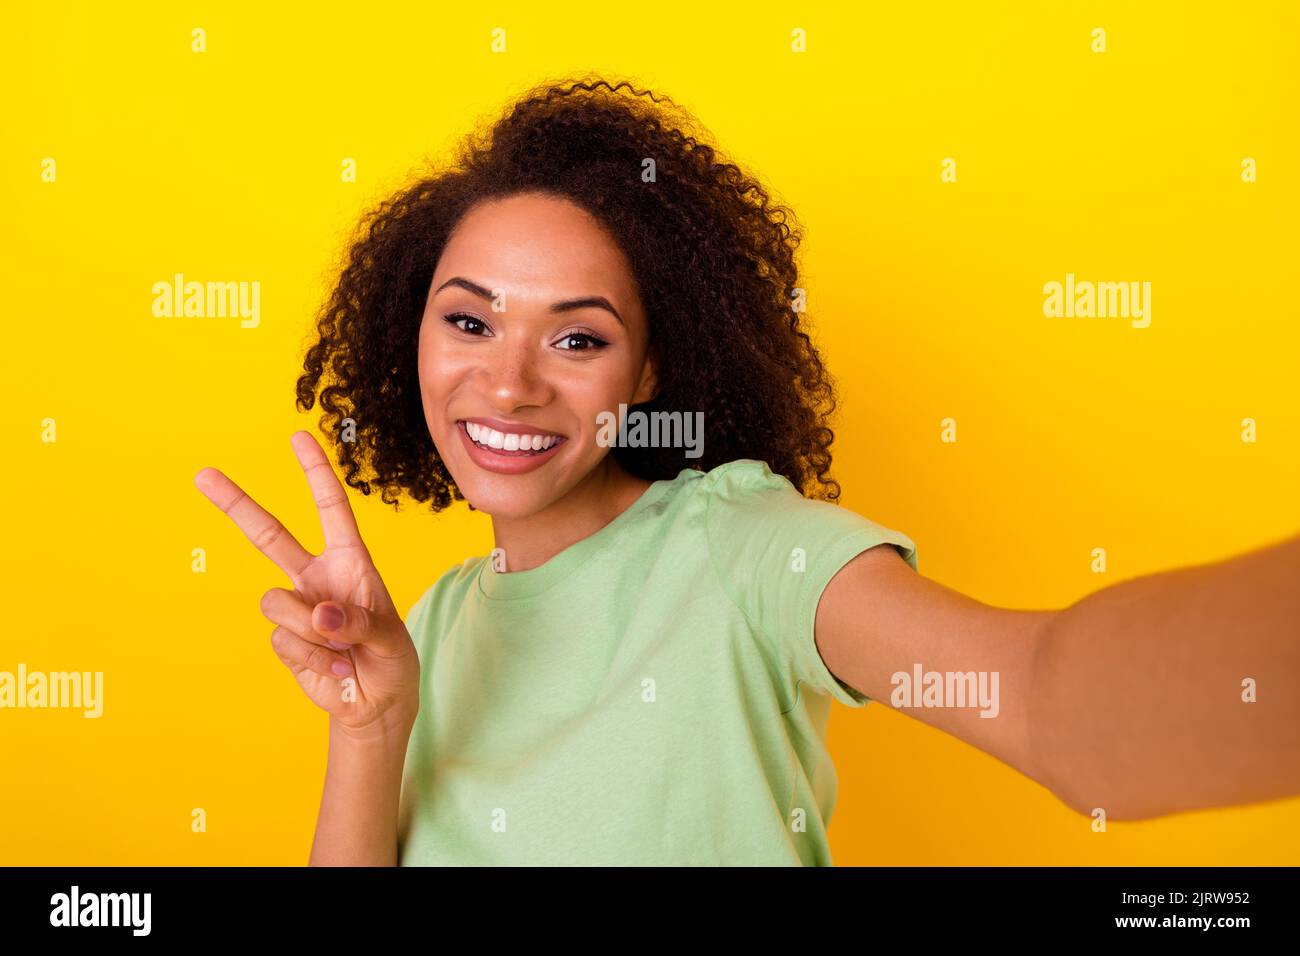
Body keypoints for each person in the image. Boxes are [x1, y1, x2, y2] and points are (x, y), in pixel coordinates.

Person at [193, 77, 1300, 866]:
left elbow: (1051, 701)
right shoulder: (425, 628)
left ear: (651, 368)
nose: (510, 381)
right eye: (469, 321)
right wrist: (370, 727)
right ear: (412, 336)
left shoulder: (744, 549)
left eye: (577, 338)